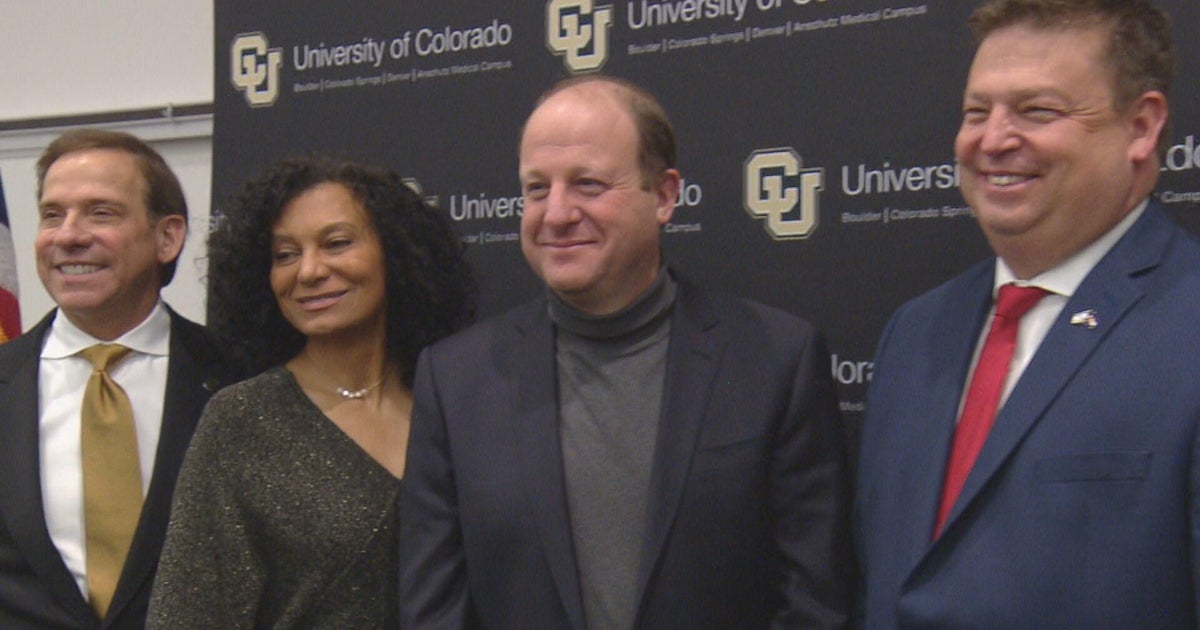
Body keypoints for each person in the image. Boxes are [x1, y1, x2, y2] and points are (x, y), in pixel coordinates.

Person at [400, 75, 853, 629]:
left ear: (663, 196)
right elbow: (435, 612)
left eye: (588, 184)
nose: (557, 213)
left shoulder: (777, 359)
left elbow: (815, 603)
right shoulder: (455, 380)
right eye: (536, 188)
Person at [854, 0, 1199, 626]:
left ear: (1142, 127)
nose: (993, 140)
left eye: (1038, 111)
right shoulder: (916, 331)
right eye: (976, 112)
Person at [146, 156, 476, 628]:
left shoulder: (454, 403)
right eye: (284, 255)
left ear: (396, 252)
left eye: (337, 243)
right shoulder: (239, 420)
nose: (309, 271)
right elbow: (187, 614)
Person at [0, 129, 245, 628]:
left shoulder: (240, 382)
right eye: (53, 214)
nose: (68, 235)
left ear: (167, 236)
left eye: (100, 212)